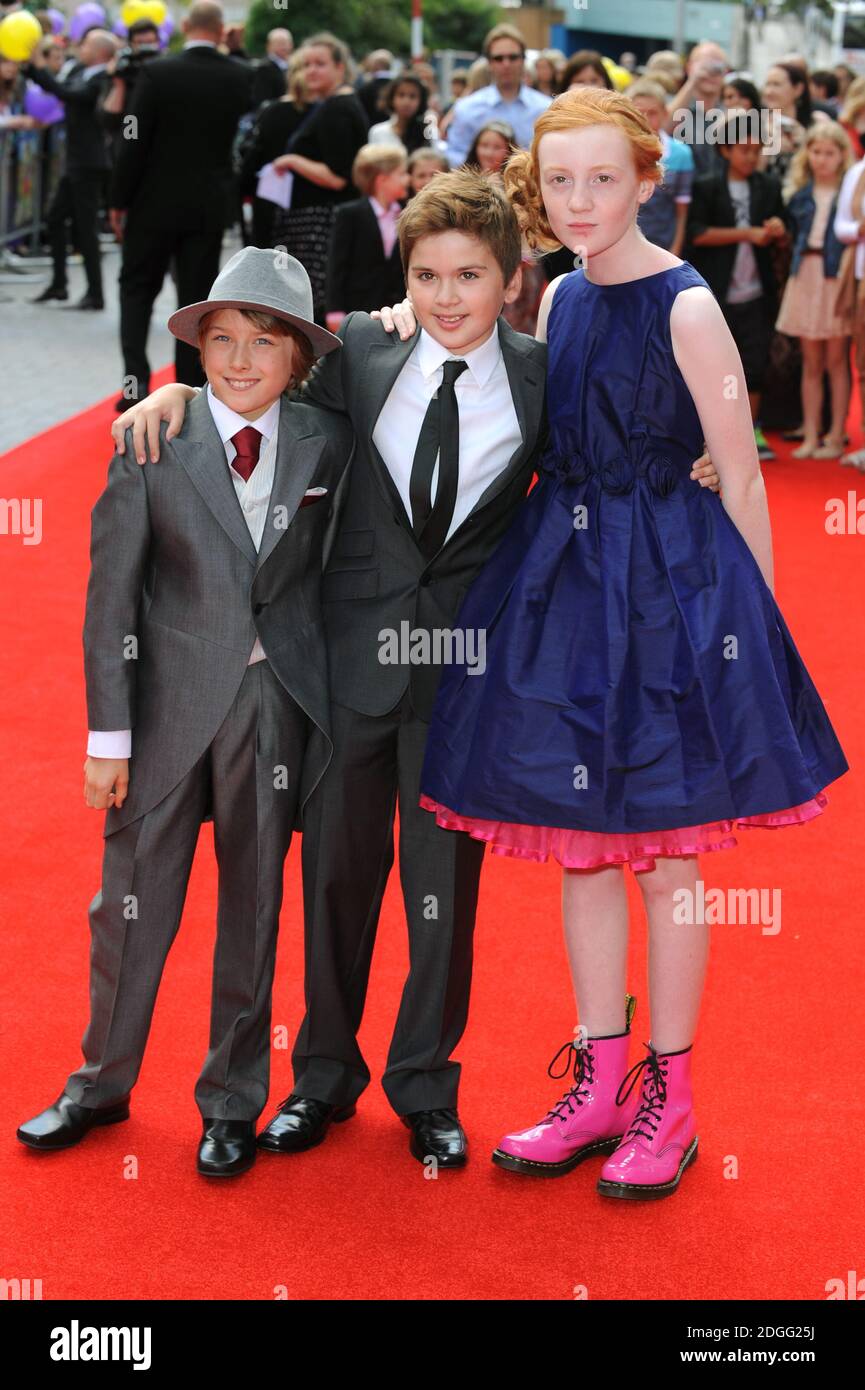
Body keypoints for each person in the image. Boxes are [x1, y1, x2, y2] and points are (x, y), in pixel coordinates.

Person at [107, 169, 720, 1169]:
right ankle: (320, 1081)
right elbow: (253, 376)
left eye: (468, 275)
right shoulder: (358, 349)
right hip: (348, 659)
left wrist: (699, 461)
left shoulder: (540, 374)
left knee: (443, 897)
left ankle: (427, 1089)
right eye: (427, 274)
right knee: (337, 885)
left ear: (511, 280)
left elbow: (621, 439)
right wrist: (174, 389)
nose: (444, 297)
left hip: (466, 671)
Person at [415, 87, 848, 1198]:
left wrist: (745, 641)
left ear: (647, 181)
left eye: (603, 178)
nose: (579, 199)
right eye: (560, 181)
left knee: (665, 856)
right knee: (581, 845)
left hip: (671, 594)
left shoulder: (688, 305)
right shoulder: (557, 297)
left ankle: (672, 1096)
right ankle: (600, 1081)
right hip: (566, 581)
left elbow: (740, 469)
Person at [15, 249, 355, 1178]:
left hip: (273, 707)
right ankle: (99, 1082)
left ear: (299, 359)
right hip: (164, 708)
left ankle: (231, 1101)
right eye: (220, 341)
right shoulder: (151, 442)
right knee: (128, 907)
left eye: (262, 344)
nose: (240, 361)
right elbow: (108, 604)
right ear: (195, 348)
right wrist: (106, 737)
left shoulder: (331, 443)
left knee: (253, 909)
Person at [109, 0, 253, 405]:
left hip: (151, 204)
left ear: (185, 26)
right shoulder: (239, 76)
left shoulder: (157, 72)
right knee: (195, 300)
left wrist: (118, 199)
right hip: (206, 207)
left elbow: (132, 138)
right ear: (222, 30)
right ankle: (189, 389)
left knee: (137, 290)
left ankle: (134, 386)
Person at [686, 110, 789, 461]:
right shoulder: (707, 186)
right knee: (713, 364)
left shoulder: (768, 186)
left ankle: (752, 429)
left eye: (756, 149)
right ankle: (709, 433)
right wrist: (748, 233)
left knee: (755, 363)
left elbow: (783, 228)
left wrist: (776, 227)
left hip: (758, 290)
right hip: (716, 291)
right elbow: (697, 234)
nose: (751, 156)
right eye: (744, 149)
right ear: (726, 150)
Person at [269, 32, 369, 325]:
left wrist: (292, 160)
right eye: (306, 64)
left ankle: (318, 371)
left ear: (340, 68)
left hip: (320, 224)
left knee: (313, 308)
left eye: (320, 64)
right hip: (317, 222)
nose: (311, 70)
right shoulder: (333, 105)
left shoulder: (337, 109)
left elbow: (338, 177)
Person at [25, 27, 118, 309]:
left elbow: (67, 94)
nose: (80, 47)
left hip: (90, 163)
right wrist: (32, 67)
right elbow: (56, 87)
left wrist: (40, 68)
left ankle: (95, 294)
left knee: (85, 229)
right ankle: (59, 284)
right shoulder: (81, 71)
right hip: (74, 162)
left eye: (87, 44)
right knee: (54, 219)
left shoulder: (103, 79)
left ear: (101, 52)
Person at [775, 122, 853, 458]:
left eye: (829, 153)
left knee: (836, 360)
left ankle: (836, 434)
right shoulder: (798, 194)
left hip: (835, 276)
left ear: (841, 156)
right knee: (811, 361)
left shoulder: (850, 194)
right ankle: (810, 432)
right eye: (816, 151)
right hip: (805, 272)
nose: (821, 159)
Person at [445, 24, 551, 169]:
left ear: (523, 60)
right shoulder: (466, 108)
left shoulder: (546, 109)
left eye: (513, 57)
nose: (506, 64)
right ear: (489, 63)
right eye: (498, 58)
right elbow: (454, 155)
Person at [324, 144, 407, 325]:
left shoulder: (407, 214)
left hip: (398, 312)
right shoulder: (350, 214)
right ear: (382, 180)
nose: (406, 179)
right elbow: (337, 264)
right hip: (358, 310)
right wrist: (334, 310)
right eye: (401, 174)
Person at [630, 79, 694, 256]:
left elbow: (681, 213)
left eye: (652, 113)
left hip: (664, 248)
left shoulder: (681, 154)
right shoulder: (618, 151)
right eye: (639, 113)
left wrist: (675, 250)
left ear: (665, 114)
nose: (645, 120)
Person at [834, 149, 865, 470]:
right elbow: (840, 226)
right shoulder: (858, 172)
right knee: (864, 363)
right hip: (862, 281)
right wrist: (859, 230)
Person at [666, 40, 729, 177]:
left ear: (726, 71)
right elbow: (663, 127)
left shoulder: (729, 113)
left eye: (717, 67)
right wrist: (693, 81)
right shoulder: (674, 104)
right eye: (705, 65)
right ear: (689, 68)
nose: (711, 72)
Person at [367, 73, 431, 154]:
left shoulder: (428, 132)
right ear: (391, 99)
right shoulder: (378, 132)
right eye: (401, 95)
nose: (406, 102)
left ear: (421, 101)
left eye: (413, 96)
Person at [250, 26, 293, 107]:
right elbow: (261, 99)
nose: (284, 47)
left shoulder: (295, 65)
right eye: (280, 43)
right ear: (269, 46)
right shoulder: (263, 68)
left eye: (286, 43)